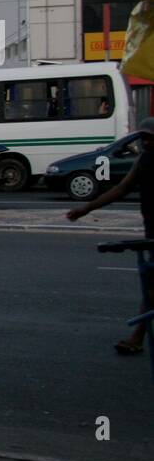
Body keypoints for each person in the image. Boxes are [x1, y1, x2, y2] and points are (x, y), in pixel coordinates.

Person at [67, 116, 154, 354]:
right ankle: (137, 338)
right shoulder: (144, 160)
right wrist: (86, 208)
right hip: (151, 231)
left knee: (151, 290)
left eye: (149, 138)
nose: (145, 142)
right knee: (151, 288)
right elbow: (121, 189)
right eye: (143, 138)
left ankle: (137, 338)